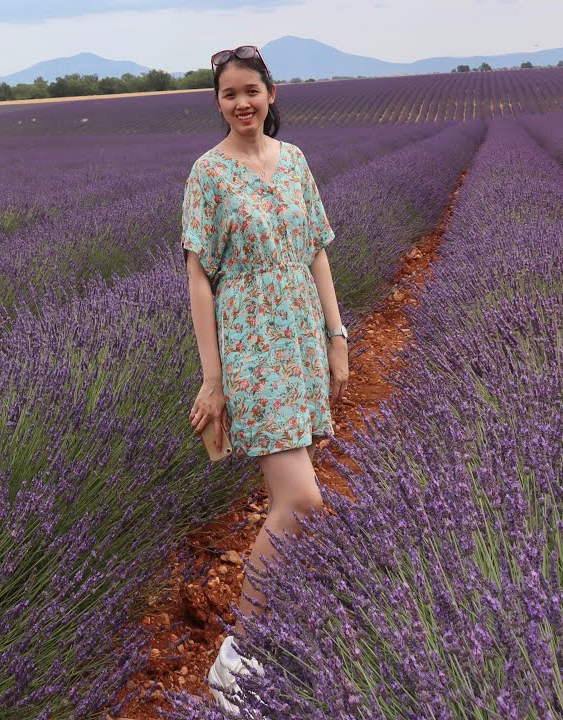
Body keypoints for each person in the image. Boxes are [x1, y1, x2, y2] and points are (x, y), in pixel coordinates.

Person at [181, 44, 349, 715]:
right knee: (302, 500)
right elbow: (199, 278)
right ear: (218, 102)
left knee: (300, 500)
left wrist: (337, 337)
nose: (242, 103)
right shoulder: (208, 174)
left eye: (251, 90)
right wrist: (213, 377)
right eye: (229, 94)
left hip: (303, 337)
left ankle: (277, 638)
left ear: (271, 94)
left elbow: (316, 250)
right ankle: (236, 657)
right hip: (252, 347)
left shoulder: (297, 161)